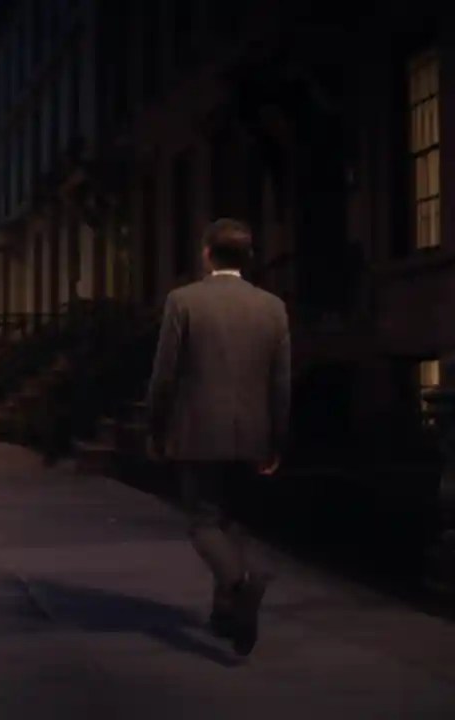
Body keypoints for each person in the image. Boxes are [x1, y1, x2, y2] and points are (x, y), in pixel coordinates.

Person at [147, 218, 291, 657]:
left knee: (204, 522)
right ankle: (226, 614)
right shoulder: (272, 306)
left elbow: (164, 374)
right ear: (246, 258)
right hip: (252, 432)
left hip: (197, 430)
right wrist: (277, 441)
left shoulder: (183, 300)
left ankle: (239, 586)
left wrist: (156, 426)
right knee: (233, 523)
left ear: (207, 253)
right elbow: (280, 381)